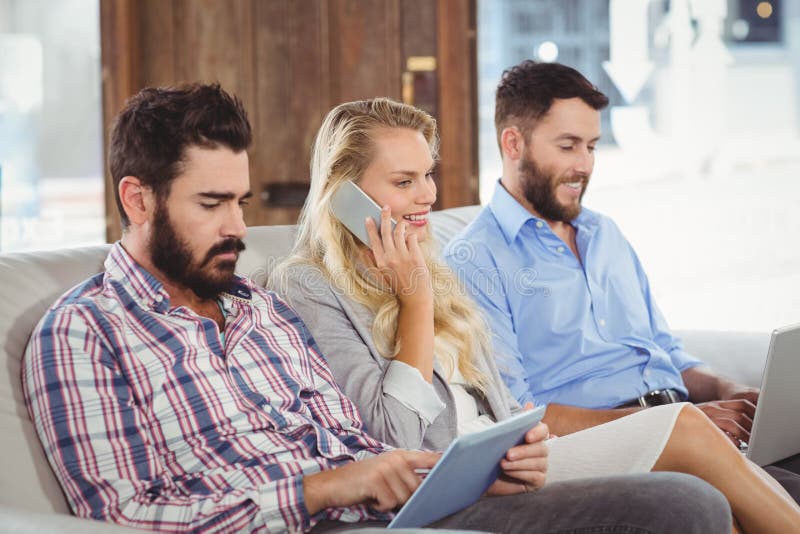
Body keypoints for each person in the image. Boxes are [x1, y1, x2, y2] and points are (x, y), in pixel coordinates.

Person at [19, 84, 731, 534]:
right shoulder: (85, 331)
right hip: (321, 520)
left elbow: (362, 442)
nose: (238, 226)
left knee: (692, 500)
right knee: (684, 502)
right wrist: (320, 489)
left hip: (396, 510)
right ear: (138, 199)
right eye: (212, 204)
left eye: (240, 200)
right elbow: (120, 514)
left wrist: (462, 469)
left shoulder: (257, 311)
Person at [270, 97, 800, 533]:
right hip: (449, 488)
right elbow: (393, 438)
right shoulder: (308, 287)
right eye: (404, 182)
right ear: (343, 197)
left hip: (509, 465)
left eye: (427, 175)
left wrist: (527, 441)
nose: (429, 195)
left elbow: (505, 405)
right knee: (685, 428)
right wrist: (416, 301)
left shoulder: (432, 266)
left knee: (731, 506)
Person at [442, 60, 761, 442]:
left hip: (683, 422)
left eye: (591, 146)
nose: (585, 165)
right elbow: (516, 411)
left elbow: (664, 350)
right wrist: (669, 422)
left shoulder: (604, 233)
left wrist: (727, 390)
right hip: (610, 445)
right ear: (513, 144)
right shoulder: (475, 259)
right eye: (568, 146)